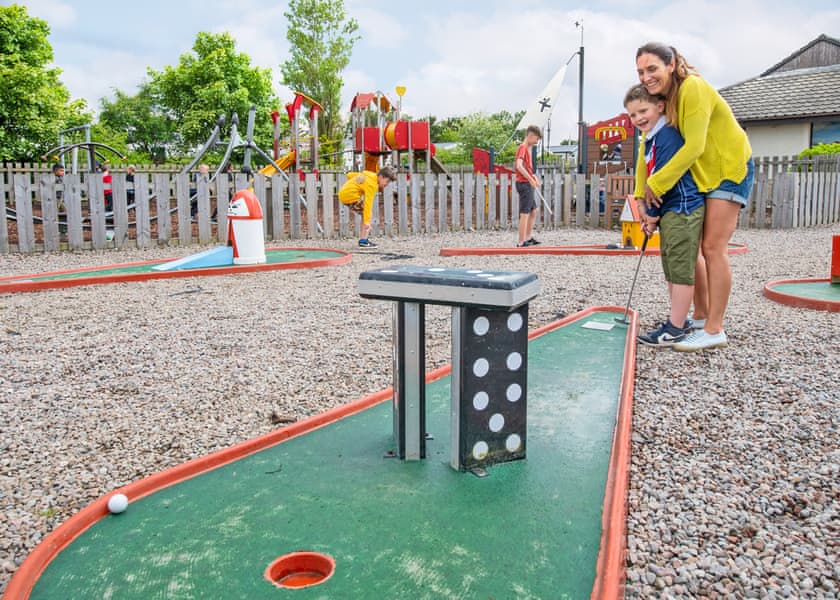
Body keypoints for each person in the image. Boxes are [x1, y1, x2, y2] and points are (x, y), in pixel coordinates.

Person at [634, 42, 754, 351]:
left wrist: (657, 184)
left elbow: (695, 146)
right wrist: (640, 194)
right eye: (640, 72)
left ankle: (715, 329)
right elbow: (647, 145)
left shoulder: (693, 88)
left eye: (652, 69)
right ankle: (699, 318)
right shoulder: (665, 99)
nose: (646, 77)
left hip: (728, 168)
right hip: (702, 176)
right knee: (696, 248)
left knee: (713, 247)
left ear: (671, 64)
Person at [624, 84, 705, 346]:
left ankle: (676, 327)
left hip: (682, 206)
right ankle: (678, 319)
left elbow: (663, 180)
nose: (638, 119)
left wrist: (651, 215)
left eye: (643, 111)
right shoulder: (650, 139)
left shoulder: (667, 136)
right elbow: (647, 180)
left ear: (660, 106)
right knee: (671, 266)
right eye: (632, 115)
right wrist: (649, 214)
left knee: (680, 268)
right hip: (670, 209)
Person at [338, 167, 396, 248]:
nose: (387, 184)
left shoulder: (369, 175)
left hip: (343, 193)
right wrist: (367, 222)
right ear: (381, 177)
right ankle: (363, 241)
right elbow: (368, 203)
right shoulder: (372, 185)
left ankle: (363, 240)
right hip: (349, 196)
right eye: (387, 181)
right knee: (366, 212)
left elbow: (352, 175)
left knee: (364, 213)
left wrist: (348, 175)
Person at [515, 125, 542, 247]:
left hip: (527, 183)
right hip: (524, 184)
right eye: (536, 139)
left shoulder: (527, 149)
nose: (537, 142)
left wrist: (533, 177)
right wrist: (530, 179)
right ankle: (521, 241)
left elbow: (526, 167)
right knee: (525, 212)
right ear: (530, 136)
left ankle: (528, 237)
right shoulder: (523, 147)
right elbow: (519, 166)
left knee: (534, 211)